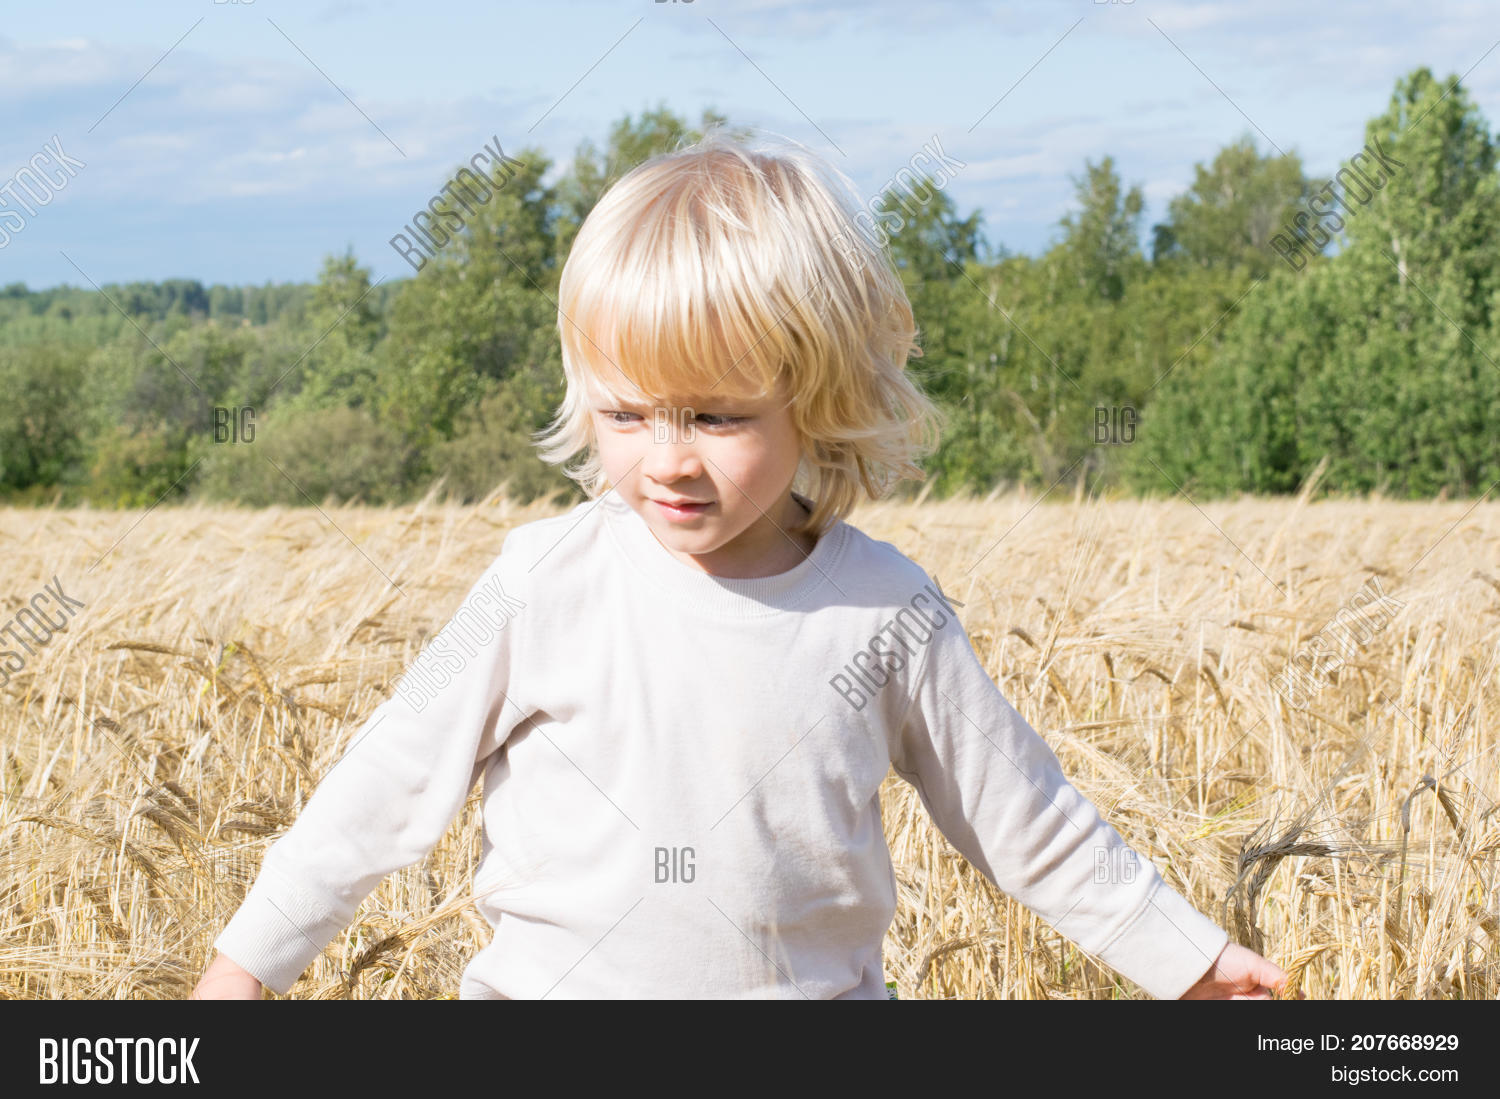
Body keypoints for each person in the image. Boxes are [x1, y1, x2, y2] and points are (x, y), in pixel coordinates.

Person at [193, 127, 1289, 1000]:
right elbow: (380, 786)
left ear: (815, 400)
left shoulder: (886, 609)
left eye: (716, 416)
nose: (666, 459)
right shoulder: (544, 584)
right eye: (626, 413)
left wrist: (1183, 958)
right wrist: (246, 963)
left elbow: (1025, 814)